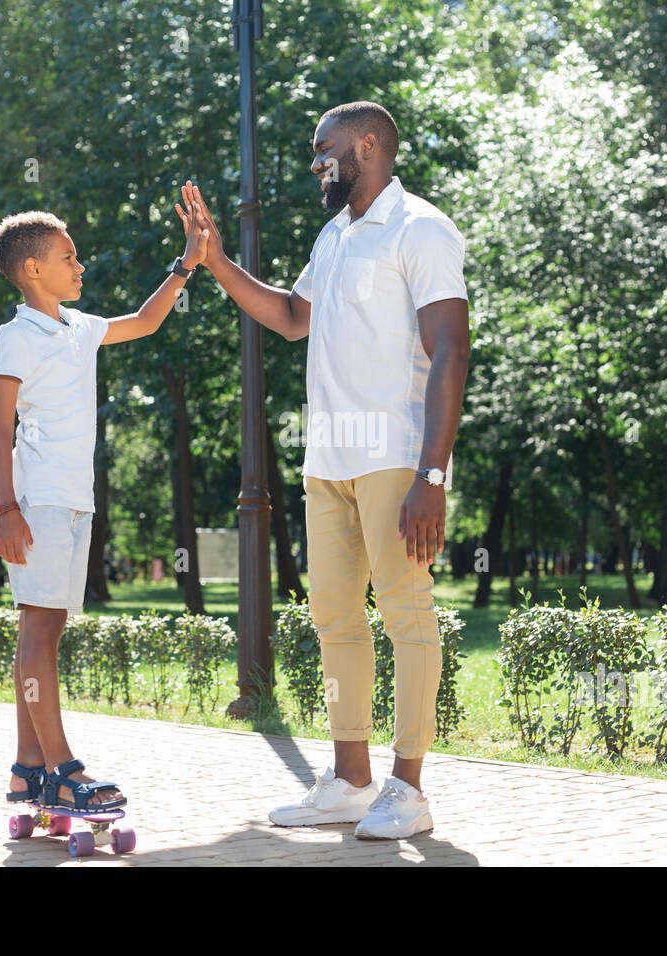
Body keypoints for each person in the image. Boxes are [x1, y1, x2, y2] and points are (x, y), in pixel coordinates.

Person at [184, 100, 470, 838]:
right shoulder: (334, 235)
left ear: (368, 145)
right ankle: (349, 778)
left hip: (394, 456)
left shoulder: (422, 228)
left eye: (326, 150)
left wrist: (430, 475)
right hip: (329, 460)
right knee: (334, 619)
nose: (317, 163)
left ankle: (408, 787)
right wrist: (215, 261)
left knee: (406, 615)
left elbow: (450, 353)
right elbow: (288, 315)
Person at [0, 202, 209, 810]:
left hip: (73, 502)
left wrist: (185, 265)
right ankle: (61, 768)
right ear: (33, 268)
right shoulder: (14, 338)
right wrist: (6, 508)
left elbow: (144, 320)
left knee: (46, 627)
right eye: (68, 257)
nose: (80, 265)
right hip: (35, 505)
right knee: (38, 627)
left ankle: (26, 768)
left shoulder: (79, 327)